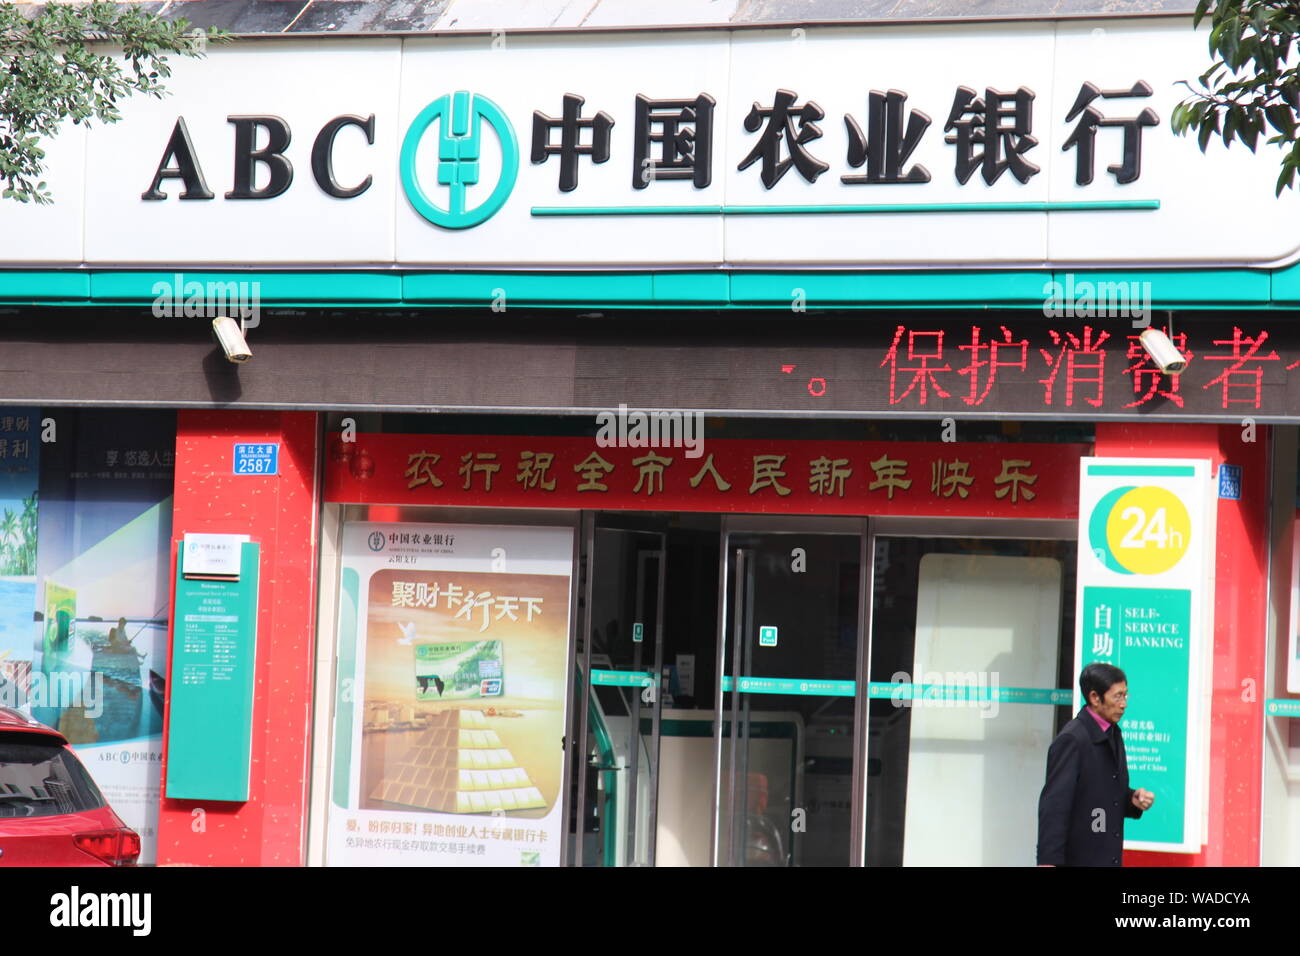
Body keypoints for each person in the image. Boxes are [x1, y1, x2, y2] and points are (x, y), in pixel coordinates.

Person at [1036, 662, 1155, 866]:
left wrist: (1131, 799)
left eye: (1125, 695)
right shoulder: (1072, 740)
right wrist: (1047, 862)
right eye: (1117, 696)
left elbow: (1102, 794)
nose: (1123, 703)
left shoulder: (1112, 733)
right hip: (1079, 858)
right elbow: (1054, 807)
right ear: (1094, 698)